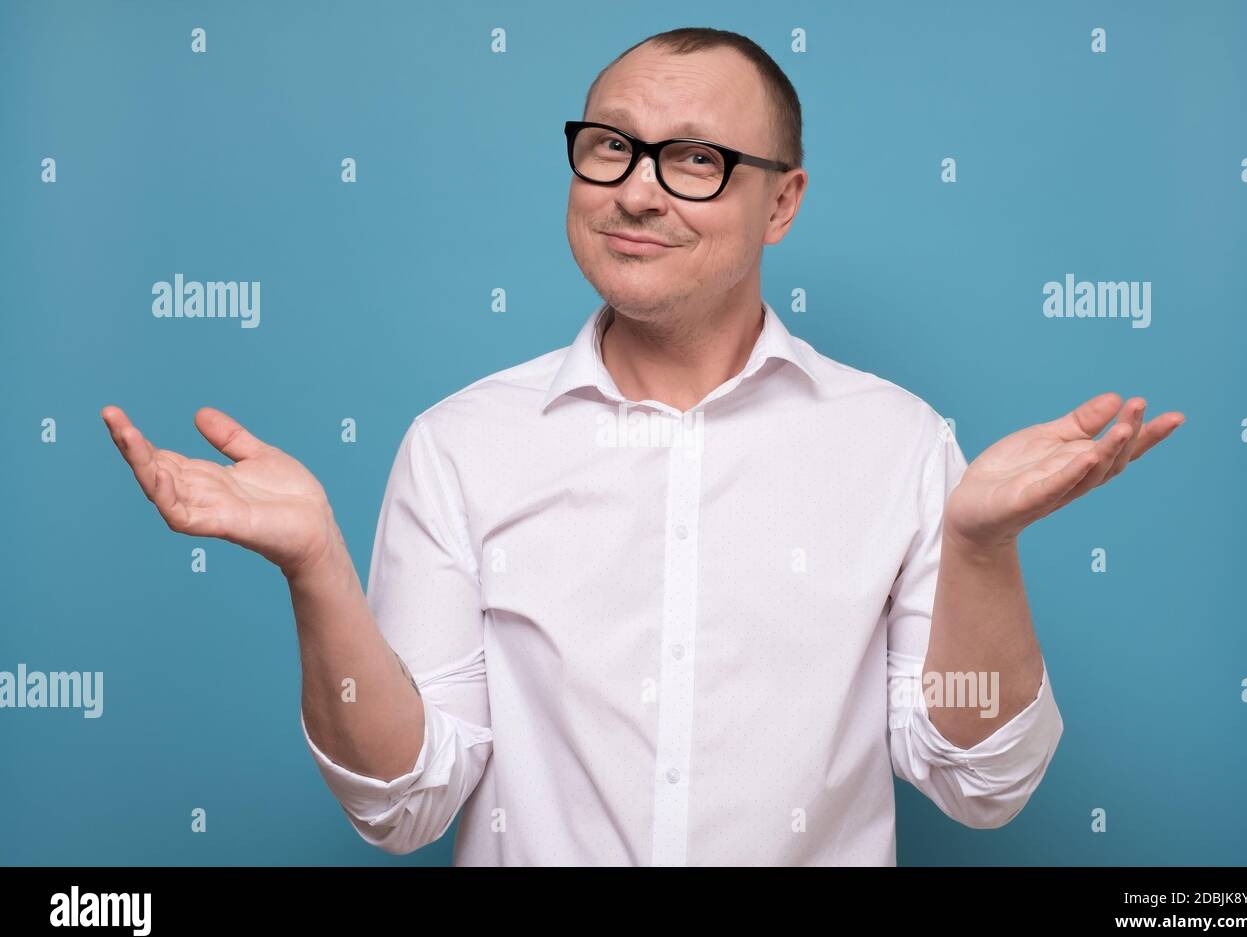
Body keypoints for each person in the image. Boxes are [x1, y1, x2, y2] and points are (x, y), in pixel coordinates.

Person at [102, 27, 1184, 865]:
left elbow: (974, 782)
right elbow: (405, 799)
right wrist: (316, 571)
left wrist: (983, 550)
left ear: (782, 203)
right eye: (611, 145)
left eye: (696, 159)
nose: (635, 189)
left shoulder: (897, 442)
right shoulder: (460, 442)